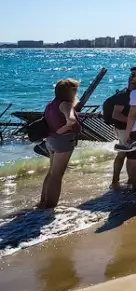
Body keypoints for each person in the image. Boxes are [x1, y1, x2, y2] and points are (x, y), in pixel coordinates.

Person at [38, 78, 81, 209]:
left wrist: (56, 131)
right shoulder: (66, 104)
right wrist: (61, 130)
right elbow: (71, 121)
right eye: (75, 90)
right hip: (63, 141)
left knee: (51, 173)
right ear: (70, 92)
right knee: (57, 176)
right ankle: (50, 207)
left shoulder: (51, 104)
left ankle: (42, 202)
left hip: (51, 141)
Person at [106, 85, 136, 189]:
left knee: (133, 155)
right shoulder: (124, 96)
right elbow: (116, 115)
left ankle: (131, 181)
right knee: (130, 155)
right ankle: (120, 182)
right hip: (124, 129)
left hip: (131, 129)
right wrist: (133, 122)